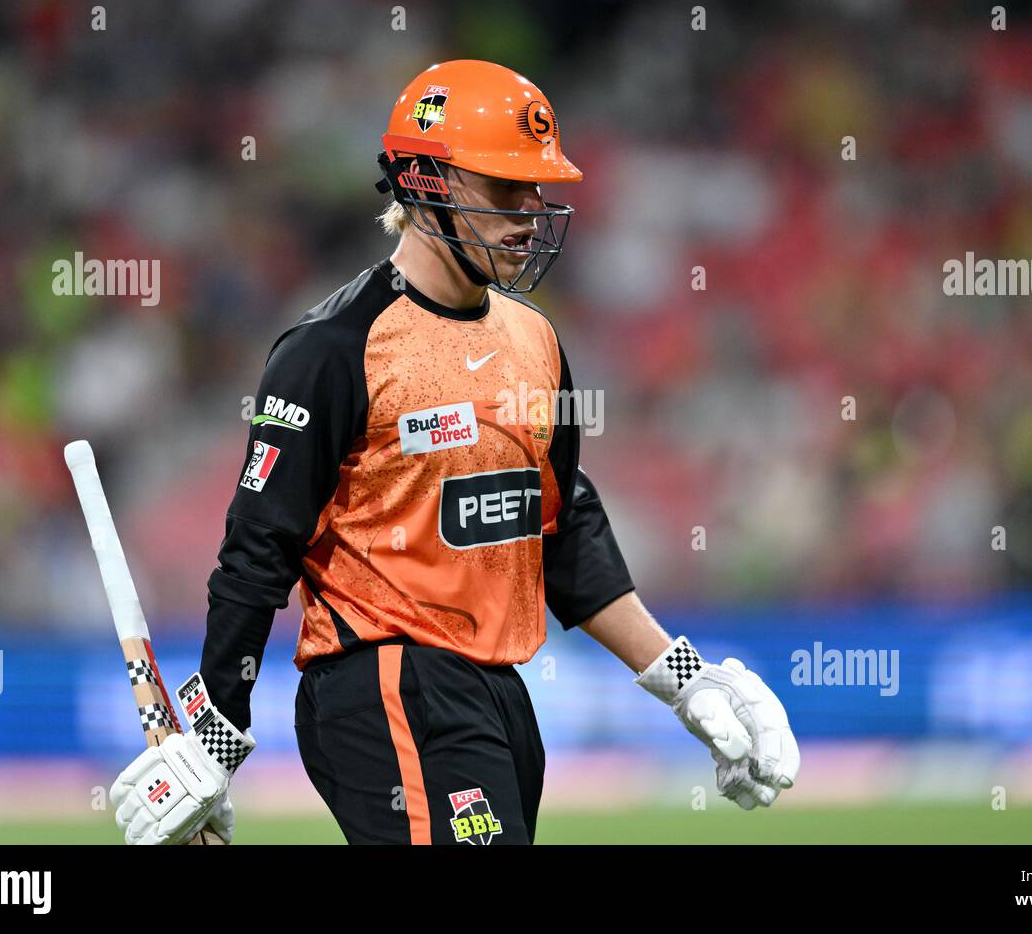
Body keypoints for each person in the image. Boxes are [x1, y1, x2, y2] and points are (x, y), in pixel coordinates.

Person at [109, 59, 799, 845]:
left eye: (538, 190)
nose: (531, 212)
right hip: (389, 687)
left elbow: (563, 528)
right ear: (426, 182)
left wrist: (686, 680)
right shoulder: (332, 350)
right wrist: (216, 740)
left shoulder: (535, 337)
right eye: (507, 188)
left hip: (499, 695)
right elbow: (256, 556)